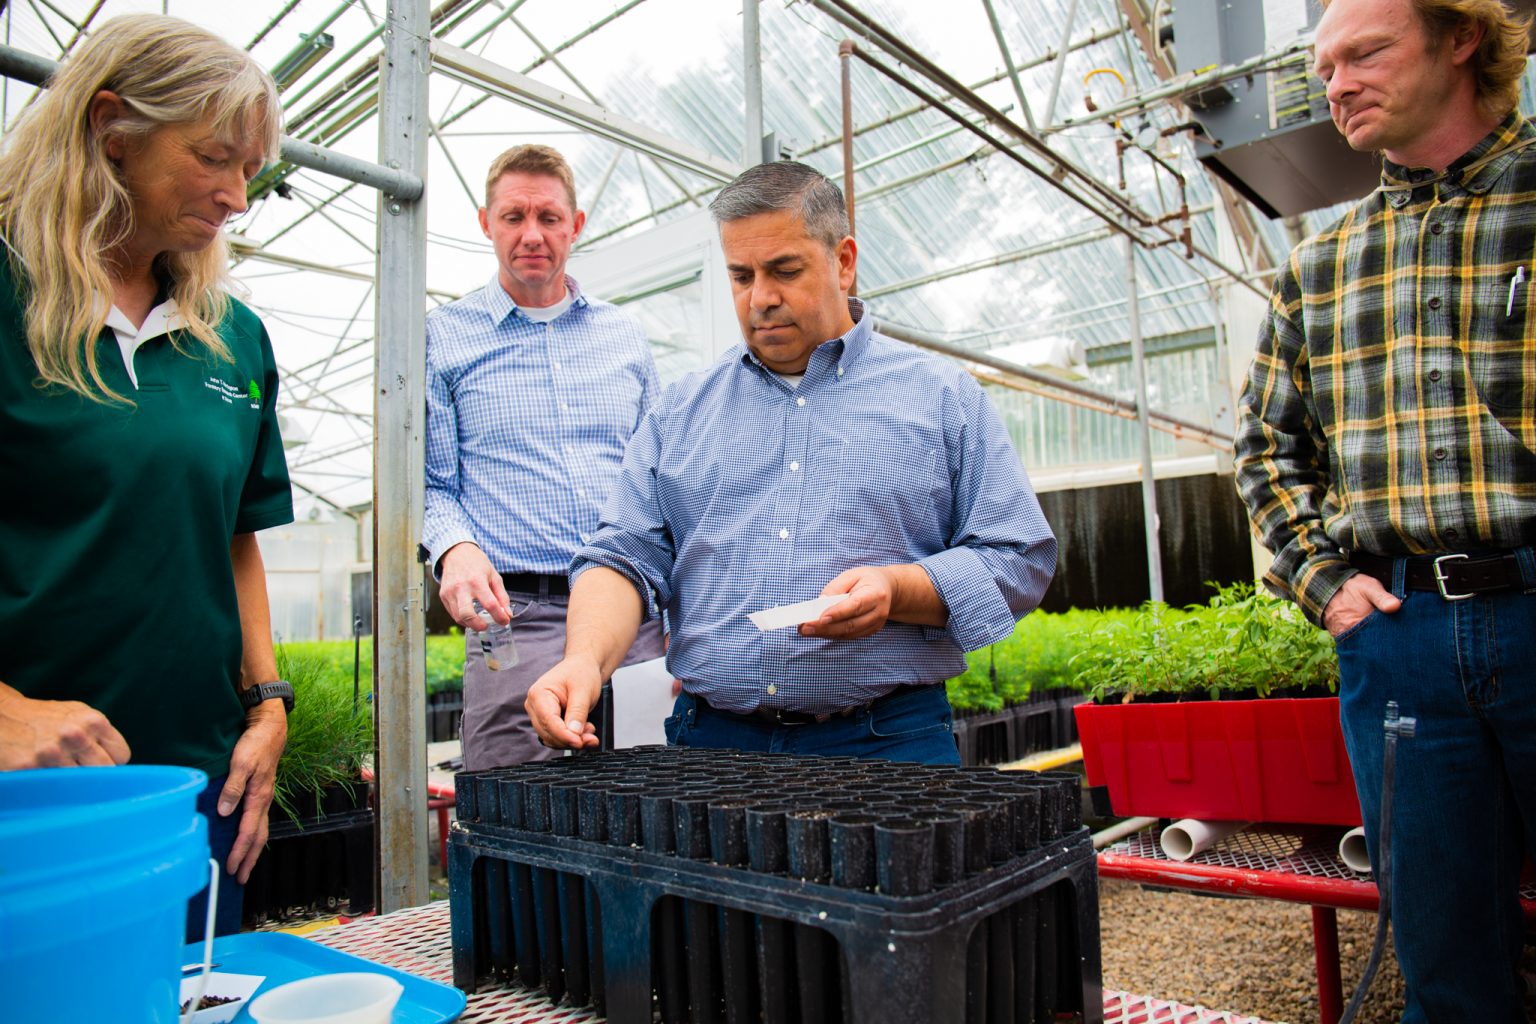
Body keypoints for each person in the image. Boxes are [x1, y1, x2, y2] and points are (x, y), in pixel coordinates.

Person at [526, 160, 1057, 763]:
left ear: (844, 261)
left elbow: (1018, 555)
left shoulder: (939, 395)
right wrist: (583, 659)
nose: (761, 298)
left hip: (889, 740)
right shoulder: (679, 412)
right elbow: (624, 556)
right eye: (741, 276)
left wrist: (899, 588)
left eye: (784, 270)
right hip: (715, 744)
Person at [1233, 0, 1536, 1018]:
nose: (1338, 84)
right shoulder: (1320, 264)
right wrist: (1325, 584)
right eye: (1325, 66)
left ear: (1460, 38)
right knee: (1445, 966)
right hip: (1401, 636)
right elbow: (1266, 449)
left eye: (1365, 52)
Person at [0, 15, 294, 940]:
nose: (236, 195)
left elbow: (233, 535)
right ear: (111, 128)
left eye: (250, 169)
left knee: (198, 988)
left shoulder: (232, 336)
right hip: (26, 794)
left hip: (197, 790)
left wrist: (267, 706)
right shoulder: (11, 292)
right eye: (214, 157)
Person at [423, 144, 665, 770]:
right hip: (517, 619)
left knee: (649, 801)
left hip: (632, 621)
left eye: (549, 218)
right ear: (486, 222)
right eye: (514, 216)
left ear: (575, 225)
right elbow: (430, 484)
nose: (532, 234)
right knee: (518, 810)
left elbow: (662, 482)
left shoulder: (624, 337)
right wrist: (455, 547)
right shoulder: (442, 337)